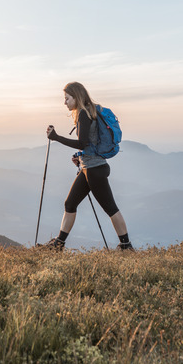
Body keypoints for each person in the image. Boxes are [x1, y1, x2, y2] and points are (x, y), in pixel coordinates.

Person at [43, 82, 134, 251]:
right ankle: (59, 244)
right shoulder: (87, 112)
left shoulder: (84, 114)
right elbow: (88, 144)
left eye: (67, 98)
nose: (65, 103)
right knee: (70, 203)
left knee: (111, 208)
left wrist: (56, 137)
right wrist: (79, 157)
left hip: (94, 171)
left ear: (76, 97)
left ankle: (126, 246)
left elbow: (82, 142)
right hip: (91, 168)